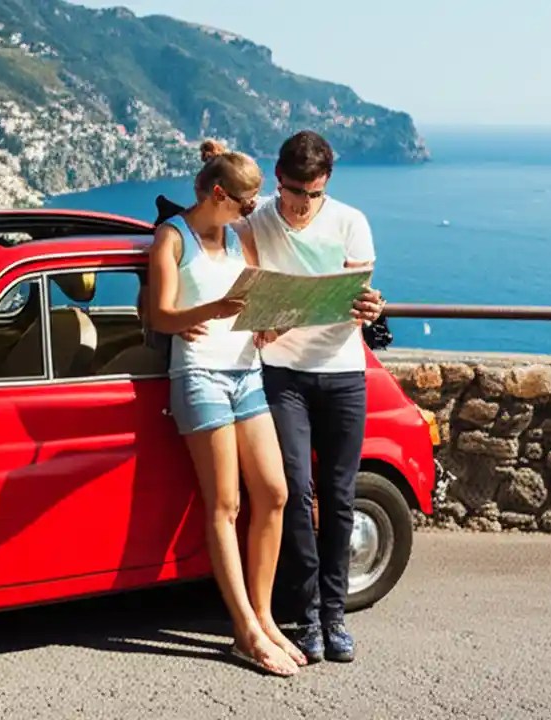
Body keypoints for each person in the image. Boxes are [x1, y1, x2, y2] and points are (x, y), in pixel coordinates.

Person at [145, 140, 307, 677]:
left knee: (276, 493)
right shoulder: (172, 238)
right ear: (219, 194)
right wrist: (214, 307)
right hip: (199, 376)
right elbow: (163, 316)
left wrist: (269, 322)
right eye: (245, 204)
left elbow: (258, 306)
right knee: (226, 504)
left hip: (245, 372)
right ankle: (244, 631)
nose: (251, 212)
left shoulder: (240, 241)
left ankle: (262, 618)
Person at [234, 130, 386, 664]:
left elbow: (364, 293)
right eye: (294, 192)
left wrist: (371, 308)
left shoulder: (350, 221)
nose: (301, 205)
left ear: (327, 186)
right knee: (294, 490)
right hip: (283, 374)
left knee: (339, 494)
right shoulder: (256, 222)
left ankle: (335, 611)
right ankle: (306, 615)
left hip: (343, 372)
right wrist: (258, 323)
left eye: (312, 194)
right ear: (278, 181)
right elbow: (211, 249)